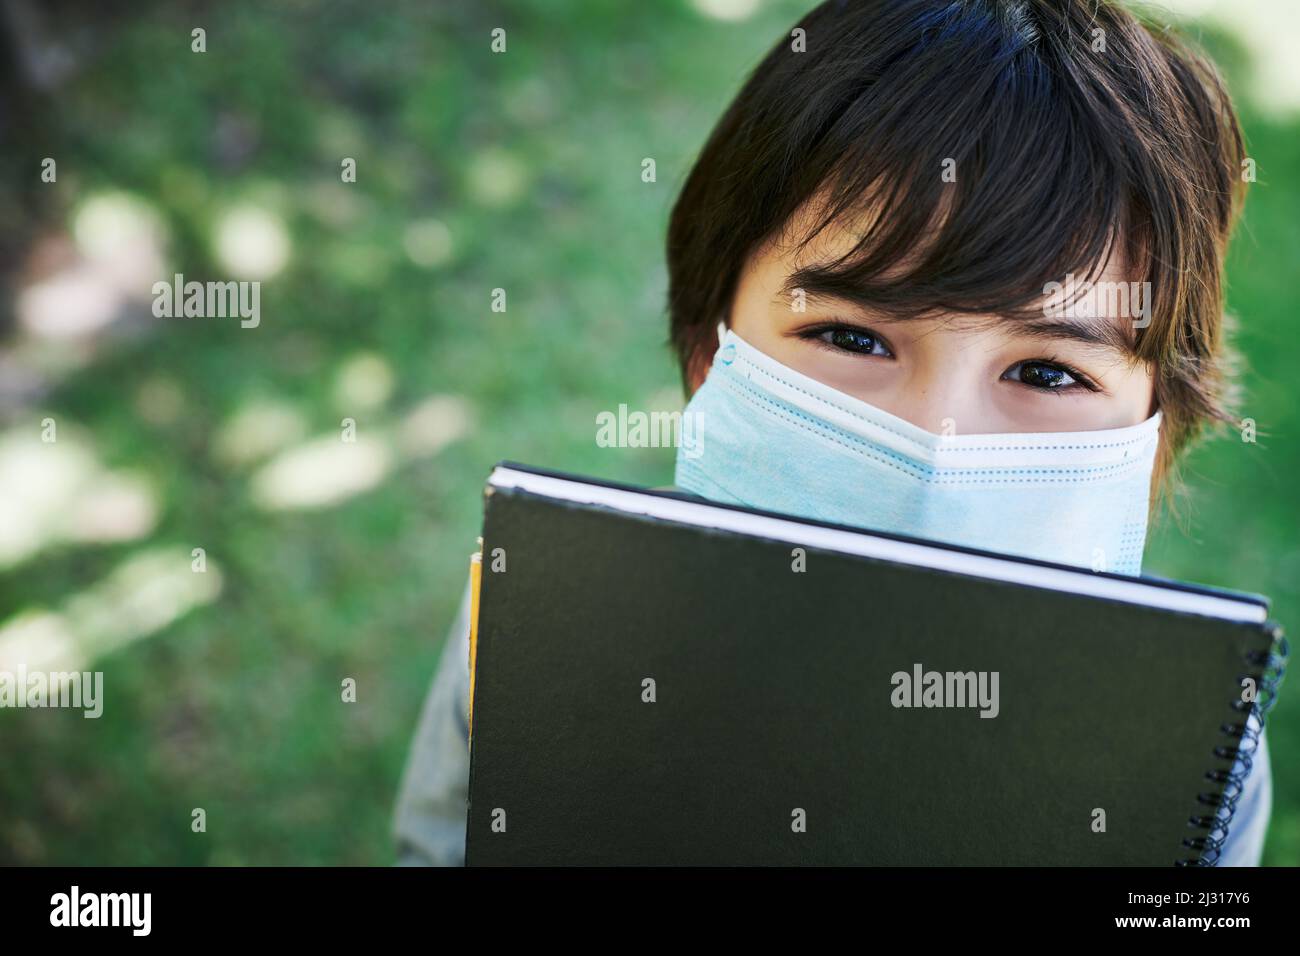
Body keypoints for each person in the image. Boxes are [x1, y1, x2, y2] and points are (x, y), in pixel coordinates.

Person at [394, 0, 1270, 866]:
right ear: (711, 352)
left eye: (1048, 373)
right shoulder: (545, 610)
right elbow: (440, 847)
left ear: (1157, 431)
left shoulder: (1188, 736)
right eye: (852, 337)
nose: (936, 444)